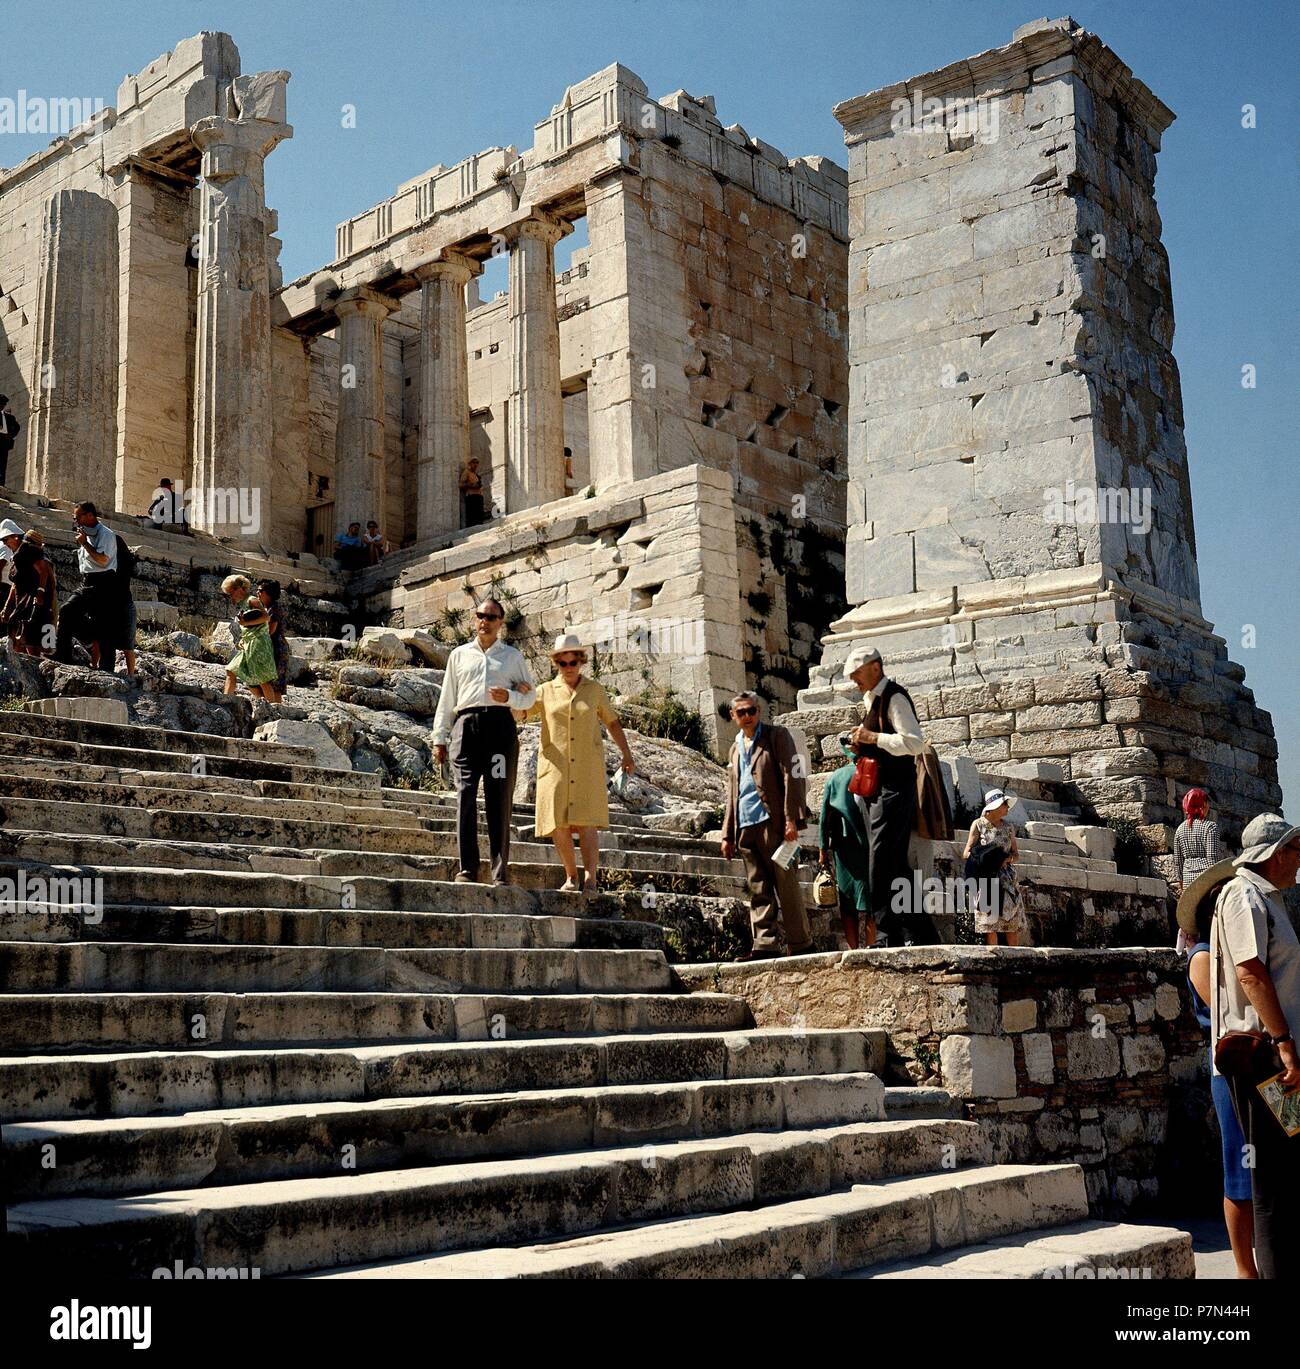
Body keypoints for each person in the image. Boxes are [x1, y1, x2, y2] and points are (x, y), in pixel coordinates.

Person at [1209, 812, 1300, 1281]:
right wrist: (1285, 1043)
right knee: (1270, 1182)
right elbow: (1250, 972)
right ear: (1274, 854)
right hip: (1265, 1060)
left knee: (1285, 1172)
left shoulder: (1265, 897)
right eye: (1296, 850)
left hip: (1276, 1060)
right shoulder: (1243, 895)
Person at [1178, 859, 1259, 1280]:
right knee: (1241, 1171)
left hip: (1262, 1066)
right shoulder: (1202, 957)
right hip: (1232, 1070)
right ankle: (1246, 1269)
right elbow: (1227, 1010)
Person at [518, 633, 634, 893]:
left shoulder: (595, 690)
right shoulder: (545, 691)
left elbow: (612, 722)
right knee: (558, 824)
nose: (568, 667)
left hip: (586, 767)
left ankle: (591, 878)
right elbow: (520, 714)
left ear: (581, 661)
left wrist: (626, 753)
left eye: (573, 662)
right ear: (556, 663)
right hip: (555, 768)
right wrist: (516, 696)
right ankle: (571, 876)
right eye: (563, 663)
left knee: (586, 823)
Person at [432, 597, 535, 885]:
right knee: (465, 794)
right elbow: (447, 698)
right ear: (474, 618)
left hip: (500, 730)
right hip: (466, 728)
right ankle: (467, 869)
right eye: (480, 615)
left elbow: (530, 696)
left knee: (499, 797)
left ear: (501, 622)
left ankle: (499, 873)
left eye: (491, 617)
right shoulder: (459, 655)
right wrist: (439, 738)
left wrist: (510, 697)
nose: (484, 621)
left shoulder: (512, 657)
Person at [843, 646, 937, 945]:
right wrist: (863, 743)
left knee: (880, 860)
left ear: (875, 667)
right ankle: (923, 933)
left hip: (894, 789)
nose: (854, 680)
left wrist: (873, 737)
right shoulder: (872, 700)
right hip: (879, 790)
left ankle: (886, 933)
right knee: (895, 864)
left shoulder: (894, 697)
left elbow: (914, 743)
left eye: (857, 673)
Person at [721, 691, 813, 961]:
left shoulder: (776, 736)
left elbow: (792, 776)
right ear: (733, 716)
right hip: (745, 825)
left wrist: (791, 819)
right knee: (757, 887)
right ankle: (765, 944)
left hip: (773, 822)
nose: (748, 716)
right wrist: (727, 834)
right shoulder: (735, 748)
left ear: (759, 711)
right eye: (742, 712)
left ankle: (801, 943)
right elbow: (732, 793)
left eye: (752, 710)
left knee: (786, 884)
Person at [818, 739, 874, 948]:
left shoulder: (835, 777)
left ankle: (853, 949)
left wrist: (823, 849)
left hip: (844, 847)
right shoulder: (874, 773)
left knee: (847, 902)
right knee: (871, 903)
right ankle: (871, 947)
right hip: (870, 845)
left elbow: (825, 818)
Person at [54, 502, 119, 668]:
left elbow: (103, 560)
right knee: (68, 612)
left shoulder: (106, 534)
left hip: (103, 582)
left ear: (90, 515)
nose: (75, 521)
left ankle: (107, 668)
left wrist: (84, 543)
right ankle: (64, 656)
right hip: (88, 581)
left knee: (103, 625)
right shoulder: (85, 534)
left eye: (77, 517)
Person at [962, 788, 1030, 945]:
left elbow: (1016, 854)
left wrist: (1007, 859)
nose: (1007, 807)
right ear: (995, 807)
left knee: (1011, 923)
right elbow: (967, 852)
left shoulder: (1009, 827)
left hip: (1007, 879)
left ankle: (1015, 956)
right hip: (987, 877)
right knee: (990, 923)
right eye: (1005, 804)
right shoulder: (979, 824)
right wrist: (986, 857)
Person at [1172, 787, 1223, 951]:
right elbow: (1212, 858)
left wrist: (1181, 884)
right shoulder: (1210, 827)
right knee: (1209, 920)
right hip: (1206, 880)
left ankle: (1193, 953)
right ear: (1203, 805)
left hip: (1188, 880)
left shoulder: (1180, 830)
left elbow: (1178, 861)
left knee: (1192, 921)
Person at [219, 574, 282, 704]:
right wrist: (243, 638)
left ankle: (271, 709)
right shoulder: (243, 603)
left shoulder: (252, 600)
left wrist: (244, 623)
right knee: (231, 670)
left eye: (231, 593)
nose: (230, 596)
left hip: (259, 643)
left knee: (263, 679)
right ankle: (226, 701)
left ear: (239, 589)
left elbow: (266, 617)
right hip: (248, 643)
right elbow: (251, 626)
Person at [1, 531, 57, 657]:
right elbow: (15, 584)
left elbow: (48, 580)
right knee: (21, 632)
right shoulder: (21, 557)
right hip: (25, 600)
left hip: (35, 601)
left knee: (31, 636)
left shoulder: (39, 559)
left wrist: (40, 593)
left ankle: (32, 663)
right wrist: (8, 606)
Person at [257, 579, 290, 698]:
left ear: (269, 593)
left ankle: (273, 707)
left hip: (277, 649)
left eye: (260, 590)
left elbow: (270, 631)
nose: (257, 593)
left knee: (273, 682)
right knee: (270, 682)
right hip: (272, 648)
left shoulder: (274, 609)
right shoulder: (267, 608)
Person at [0, 396, 20, 487]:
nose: (2, 406)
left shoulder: (9, 417)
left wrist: (11, 435)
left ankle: (1, 485)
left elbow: (17, 427)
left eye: (3, 404)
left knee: (2, 465)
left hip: (4, 444)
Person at [460, 459, 485, 526]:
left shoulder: (476, 475)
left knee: (479, 516)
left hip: (479, 496)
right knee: (472, 515)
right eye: (474, 462)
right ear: (470, 463)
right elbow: (460, 484)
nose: (475, 464)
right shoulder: (466, 472)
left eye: (477, 463)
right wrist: (471, 485)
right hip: (471, 496)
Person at [0, 518, 22, 592]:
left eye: (5, 540)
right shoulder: (6, 547)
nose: (4, 542)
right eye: (3, 540)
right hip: (3, 587)